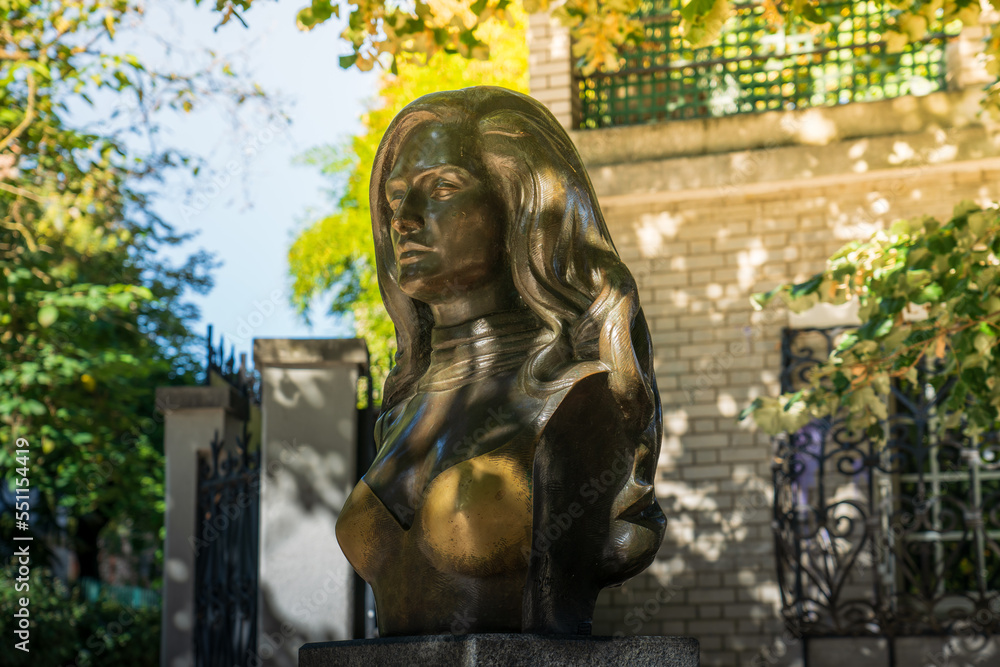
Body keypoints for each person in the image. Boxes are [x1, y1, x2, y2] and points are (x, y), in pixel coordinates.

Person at [336, 86, 665, 636]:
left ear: (518, 205)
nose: (404, 220)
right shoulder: (400, 415)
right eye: (395, 199)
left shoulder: (578, 398)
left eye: (441, 186)